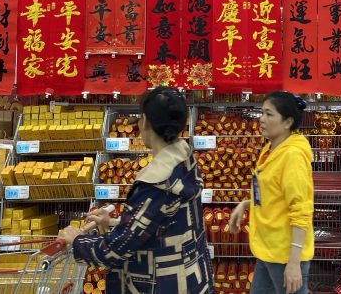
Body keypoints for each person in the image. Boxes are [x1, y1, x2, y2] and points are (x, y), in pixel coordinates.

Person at [58, 87, 214, 293]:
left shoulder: (155, 182)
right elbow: (158, 223)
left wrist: (77, 241)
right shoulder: (185, 161)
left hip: (161, 284)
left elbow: (115, 250)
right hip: (191, 278)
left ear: (145, 122)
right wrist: (112, 223)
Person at [228, 91, 314, 294]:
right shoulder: (271, 149)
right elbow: (272, 193)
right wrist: (245, 205)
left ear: (287, 122)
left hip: (285, 255)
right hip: (268, 250)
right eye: (262, 113)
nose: (261, 118)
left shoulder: (292, 156)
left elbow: (301, 210)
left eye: (269, 114)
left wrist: (294, 263)